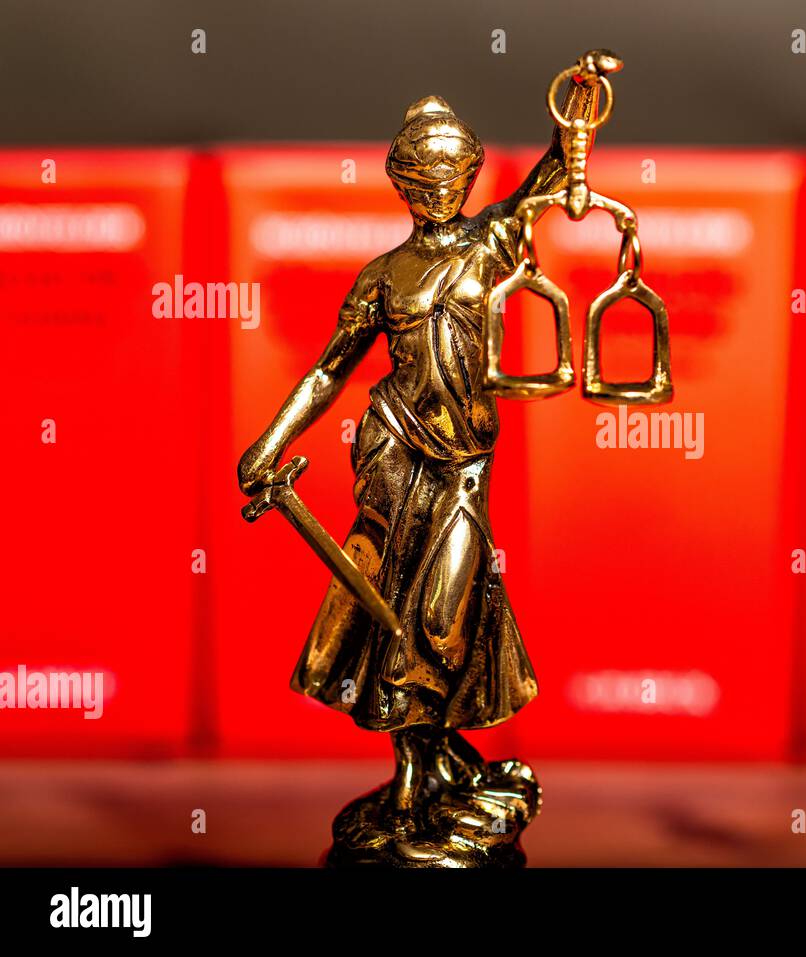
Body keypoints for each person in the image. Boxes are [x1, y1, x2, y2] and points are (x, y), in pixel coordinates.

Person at [236, 51, 622, 863]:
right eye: (423, 173)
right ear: (401, 182)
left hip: (464, 466)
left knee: (446, 616)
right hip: (391, 460)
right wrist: (270, 442)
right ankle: (420, 770)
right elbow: (328, 369)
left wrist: (575, 108)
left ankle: (437, 762)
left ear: (472, 175)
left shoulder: (489, 247)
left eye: (453, 170)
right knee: (393, 620)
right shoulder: (381, 276)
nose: (439, 184)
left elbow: (551, 181)